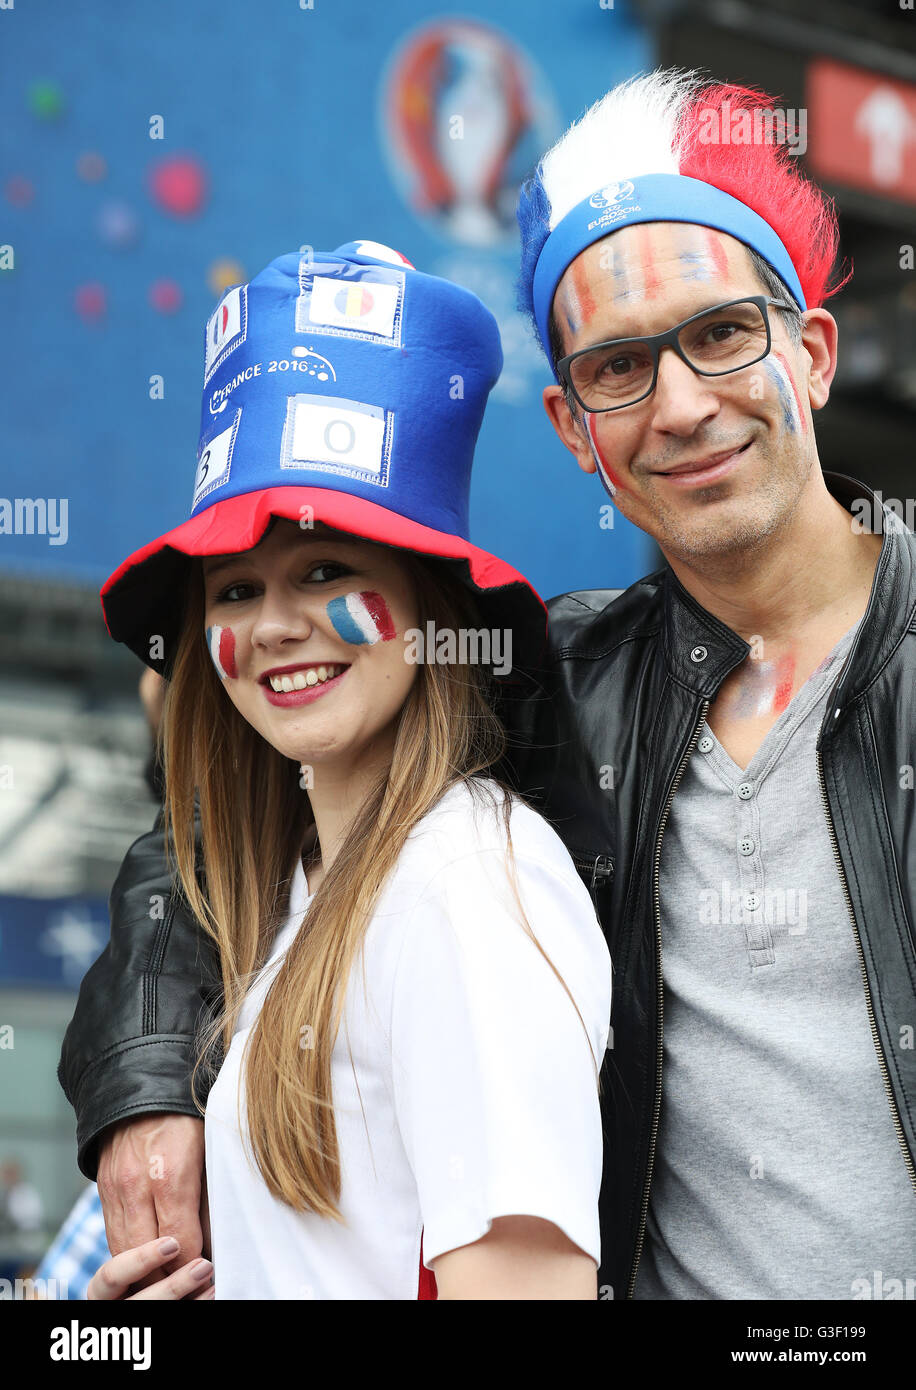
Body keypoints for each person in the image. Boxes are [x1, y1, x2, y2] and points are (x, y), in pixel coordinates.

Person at [61, 69, 916, 1301]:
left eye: (722, 333)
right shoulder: (554, 683)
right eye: (619, 367)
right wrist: (147, 1082)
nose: (680, 405)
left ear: (814, 352)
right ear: (573, 429)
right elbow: (212, 832)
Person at [70, 240, 612, 1300]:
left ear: (431, 608)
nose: (275, 625)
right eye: (231, 590)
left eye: (327, 570)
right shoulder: (301, 888)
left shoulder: (468, 885)